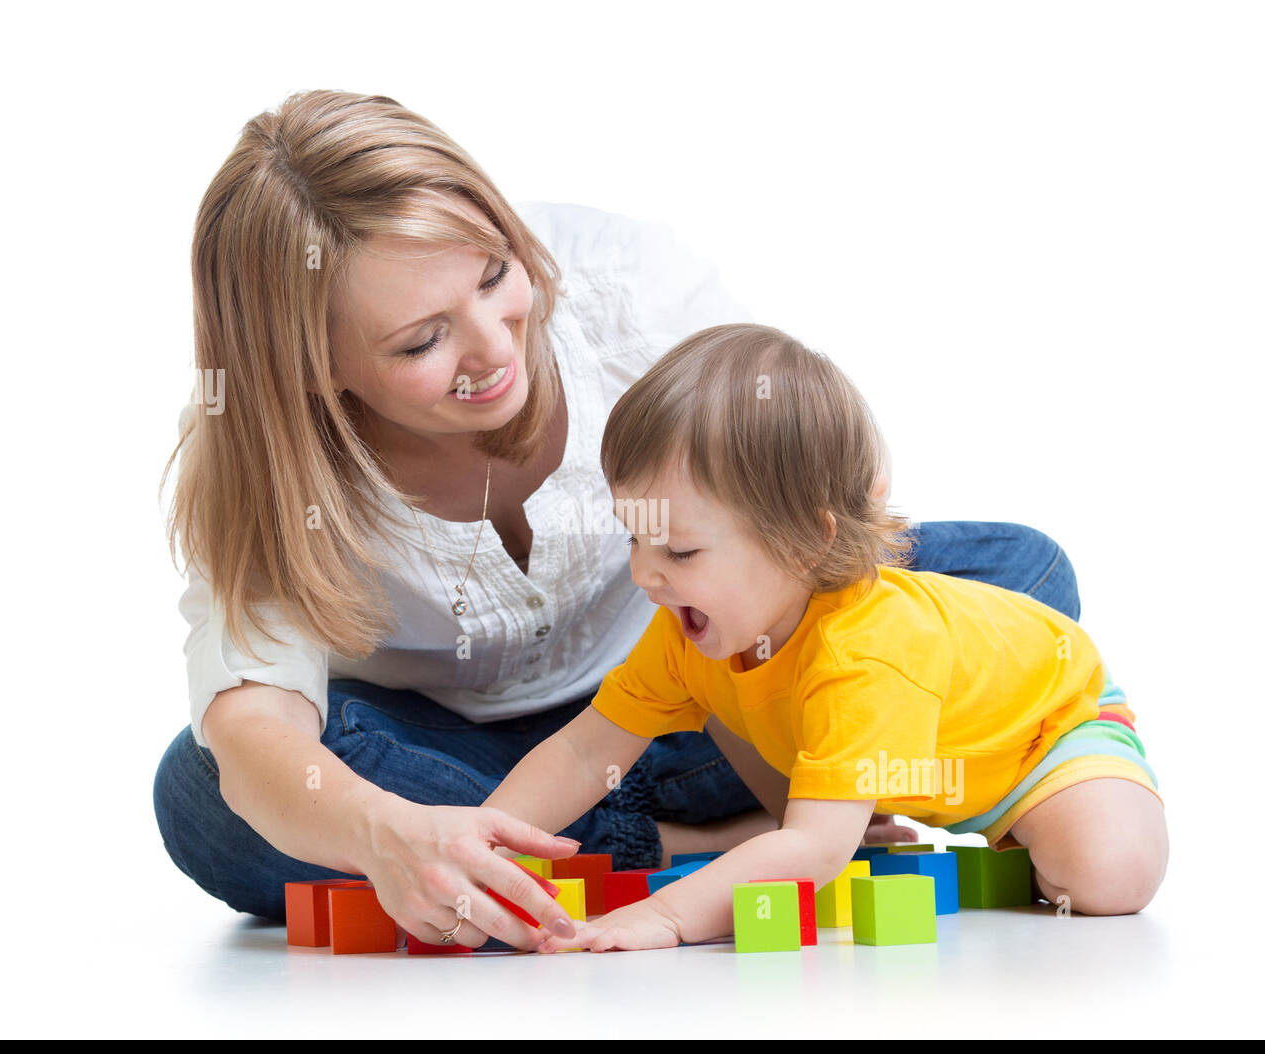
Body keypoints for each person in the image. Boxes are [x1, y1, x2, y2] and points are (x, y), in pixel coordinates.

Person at [153, 89, 1084, 953]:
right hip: (458, 761)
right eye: (422, 341)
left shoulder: (627, 288)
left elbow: (805, 464)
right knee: (207, 793)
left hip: (714, 698)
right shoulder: (260, 449)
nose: (495, 344)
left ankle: (730, 826)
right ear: (311, 369)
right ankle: (729, 836)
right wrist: (382, 828)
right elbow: (254, 726)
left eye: (493, 273)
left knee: (1017, 577)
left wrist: (807, 563)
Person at [482, 323, 1167, 953]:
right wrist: (482, 841)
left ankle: (1059, 803)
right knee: (735, 708)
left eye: (680, 552)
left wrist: (662, 916)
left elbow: (812, 854)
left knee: (1108, 878)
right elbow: (582, 750)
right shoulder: (689, 631)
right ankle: (848, 802)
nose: (644, 574)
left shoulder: (866, 653)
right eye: (634, 537)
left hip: (1043, 729)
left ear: (808, 541)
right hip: (880, 748)